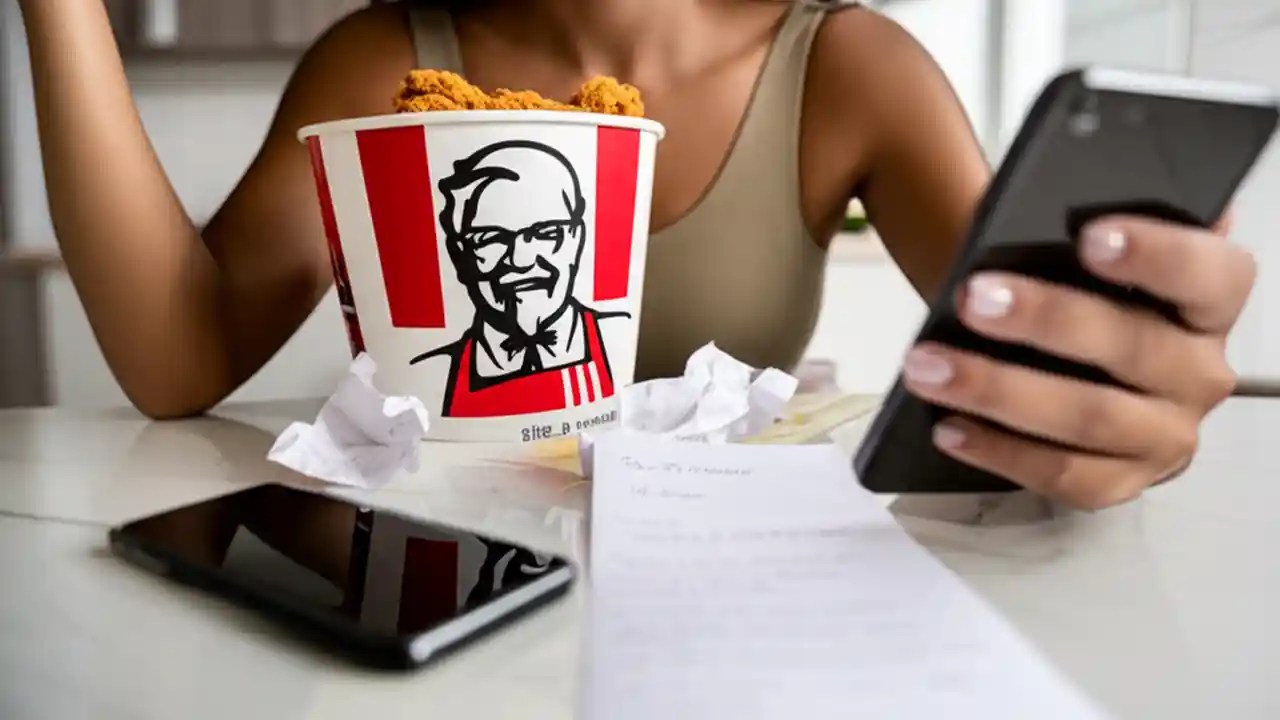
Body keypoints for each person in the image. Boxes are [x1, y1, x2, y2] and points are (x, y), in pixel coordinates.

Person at [17, 0, 1255, 511]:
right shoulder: (386, 58)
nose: (519, 267)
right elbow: (177, 362)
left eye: (545, 237)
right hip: (440, 590)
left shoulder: (849, 66)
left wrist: (1110, 393)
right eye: (487, 242)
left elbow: (1033, 340)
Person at [411, 140, 626, 418]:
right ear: (460, 256)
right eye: (490, 239)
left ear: (576, 240)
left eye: (546, 233)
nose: (521, 261)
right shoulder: (427, 375)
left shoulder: (616, 337)